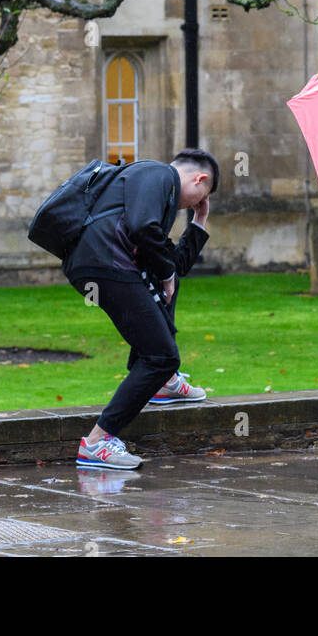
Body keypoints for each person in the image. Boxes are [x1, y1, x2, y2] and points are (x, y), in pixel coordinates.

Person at [64, 147, 220, 470]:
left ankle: (164, 380)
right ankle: (96, 442)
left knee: (160, 351)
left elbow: (173, 266)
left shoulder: (154, 194)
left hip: (100, 264)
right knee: (162, 356)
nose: (196, 204)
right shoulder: (158, 174)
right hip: (106, 263)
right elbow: (141, 227)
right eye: (201, 197)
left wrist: (199, 223)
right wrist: (165, 274)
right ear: (199, 179)